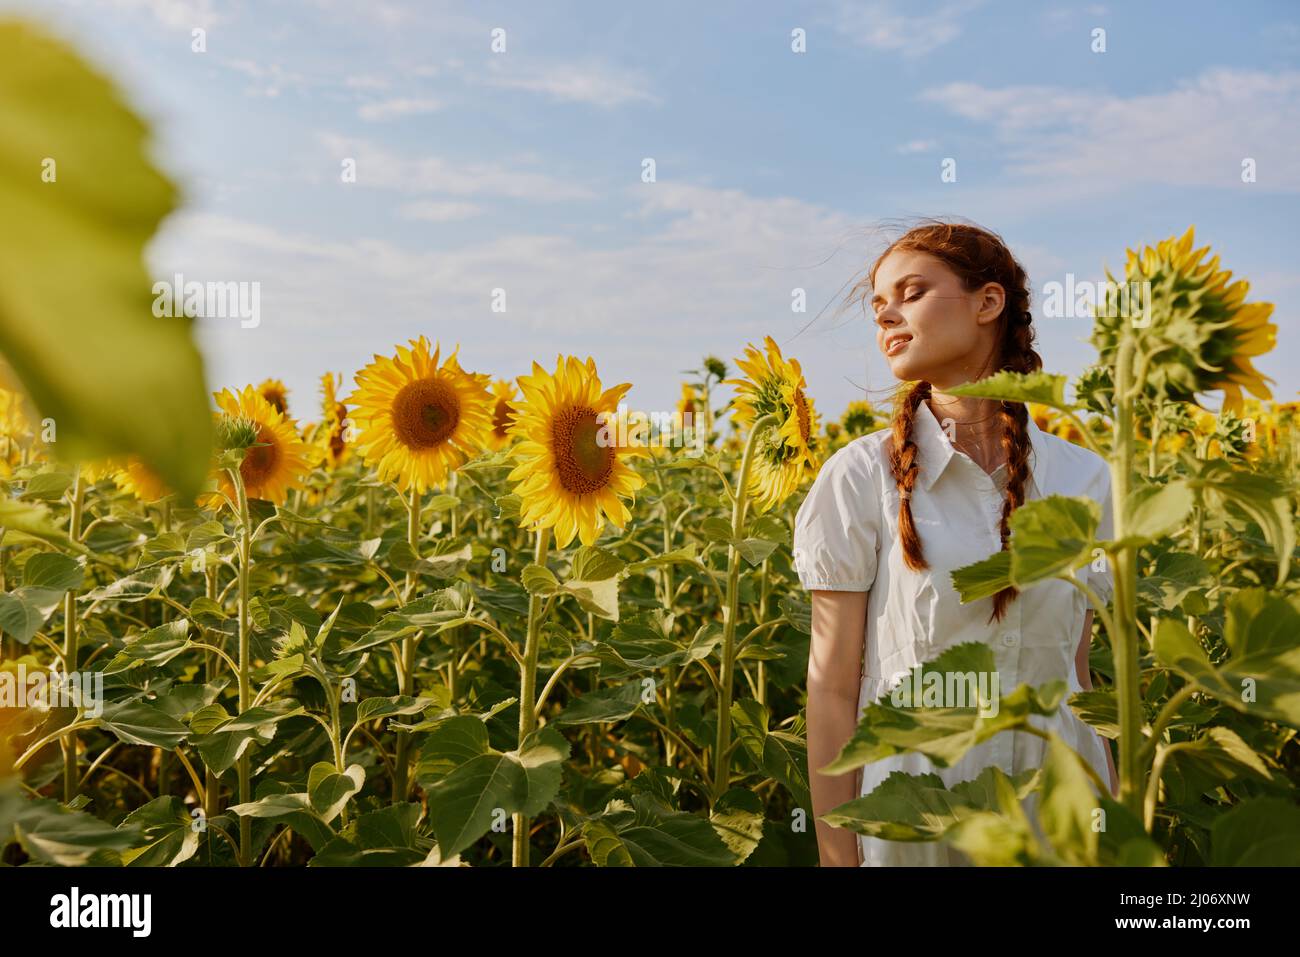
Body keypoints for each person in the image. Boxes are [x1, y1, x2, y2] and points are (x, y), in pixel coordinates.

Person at [795, 220, 1119, 867]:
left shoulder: (1086, 478)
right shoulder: (861, 476)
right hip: (915, 814)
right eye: (878, 303)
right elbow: (831, 685)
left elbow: (1076, 674)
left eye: (910, 291)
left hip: (1059, 810)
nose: (886, 311)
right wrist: (838, 852)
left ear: (988, 302)